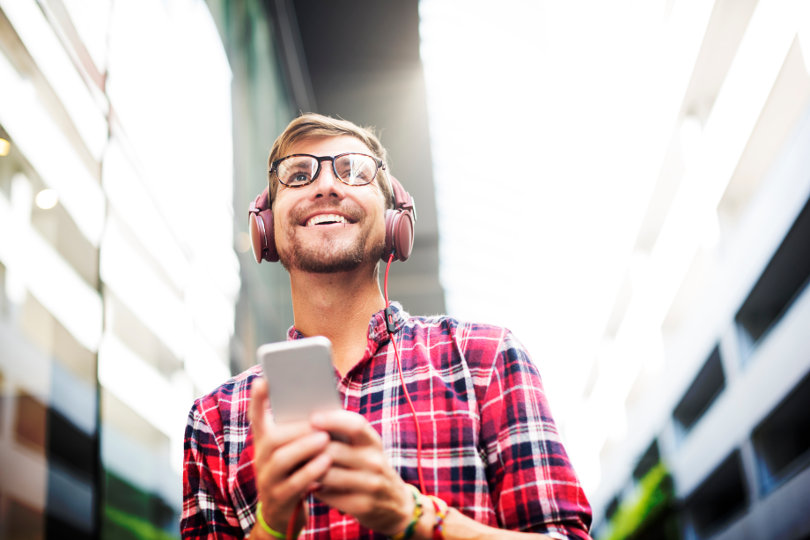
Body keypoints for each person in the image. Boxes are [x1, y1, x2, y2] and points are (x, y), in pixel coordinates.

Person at [181, 113, 592, 539]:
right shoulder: (216, 421)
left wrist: (411, 515)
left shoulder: (486, 359)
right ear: (264, 227)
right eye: (299, 175)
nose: (325, 185)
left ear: (397, 221)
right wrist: (271, 527)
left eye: (354, 171)